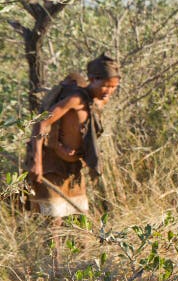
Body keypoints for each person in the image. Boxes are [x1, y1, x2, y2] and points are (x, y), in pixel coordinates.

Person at [26, 54, 121, 250]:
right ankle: (54, 269)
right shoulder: (75, 99)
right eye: (105, 85)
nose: (108, 91)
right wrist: (37, 162)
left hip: (73, 168)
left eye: (113, 87)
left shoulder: (97, 101)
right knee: (54, 221)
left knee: (80, 216)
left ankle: (82, 263)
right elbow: (41, 123)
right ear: (92, 79)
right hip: (51, 165)